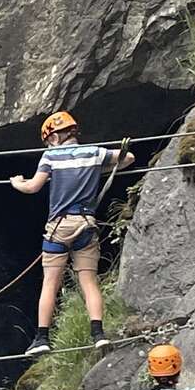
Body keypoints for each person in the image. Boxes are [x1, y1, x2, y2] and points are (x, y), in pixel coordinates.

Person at [9, 111, 135, 355]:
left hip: (59, 226)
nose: (48, 145)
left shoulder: (51, 156)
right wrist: (98, 169)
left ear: (54, 137)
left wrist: (17, 183)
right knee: (89, 281)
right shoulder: (94, 153)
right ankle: (98, 334)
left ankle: (42, 338)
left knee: (50, 283)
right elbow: (128, 157)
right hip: (86, 225)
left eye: (48, 141)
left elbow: (33, 187)